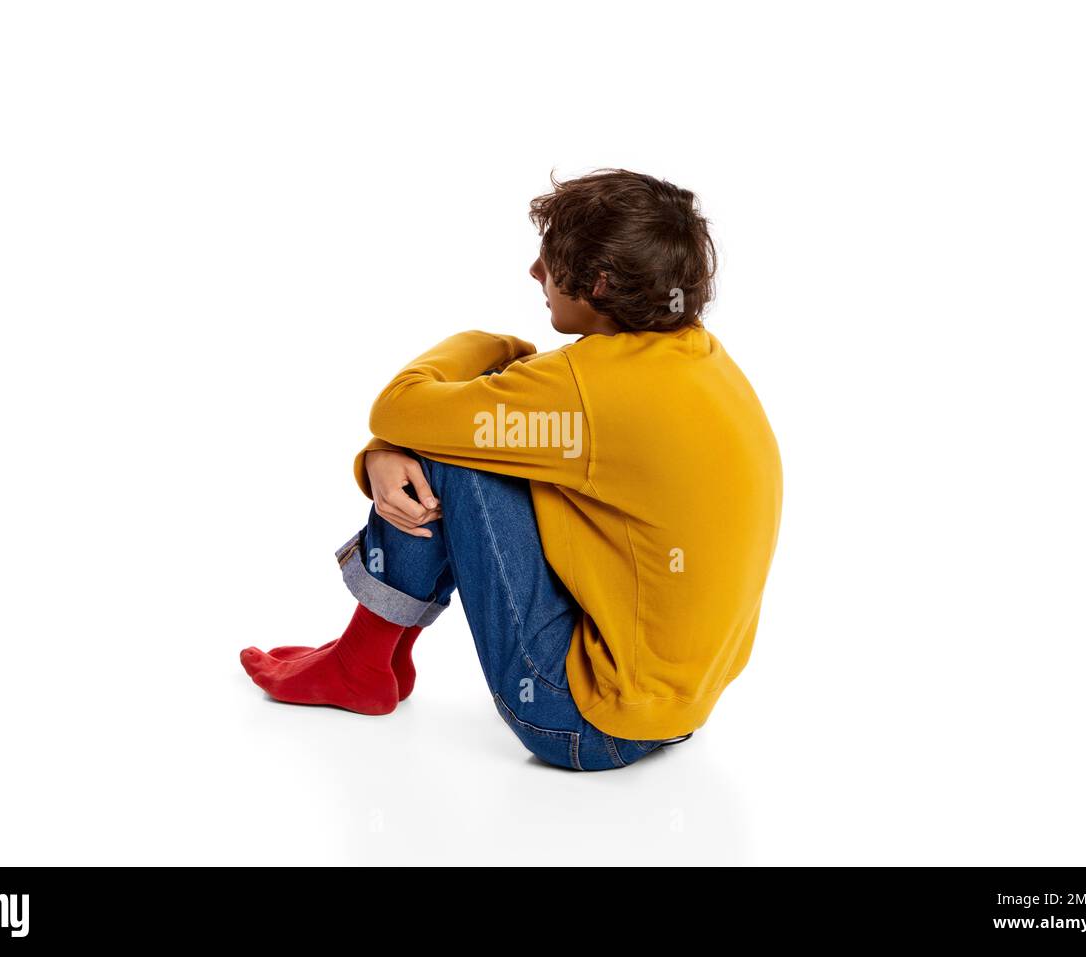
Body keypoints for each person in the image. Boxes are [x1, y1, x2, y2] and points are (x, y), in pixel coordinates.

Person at [240, 168, 783, 771]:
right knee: (472, 435)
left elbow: (400, 408)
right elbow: (464, 413)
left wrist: (487, 349)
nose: (535, 273)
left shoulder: (581, 389)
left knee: (450, 450)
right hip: (679, 709)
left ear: (599, 282)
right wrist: (384, 449)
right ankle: (370, 660)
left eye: (549, 262)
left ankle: (359, 663)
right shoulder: (697, 356)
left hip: (581, 723)